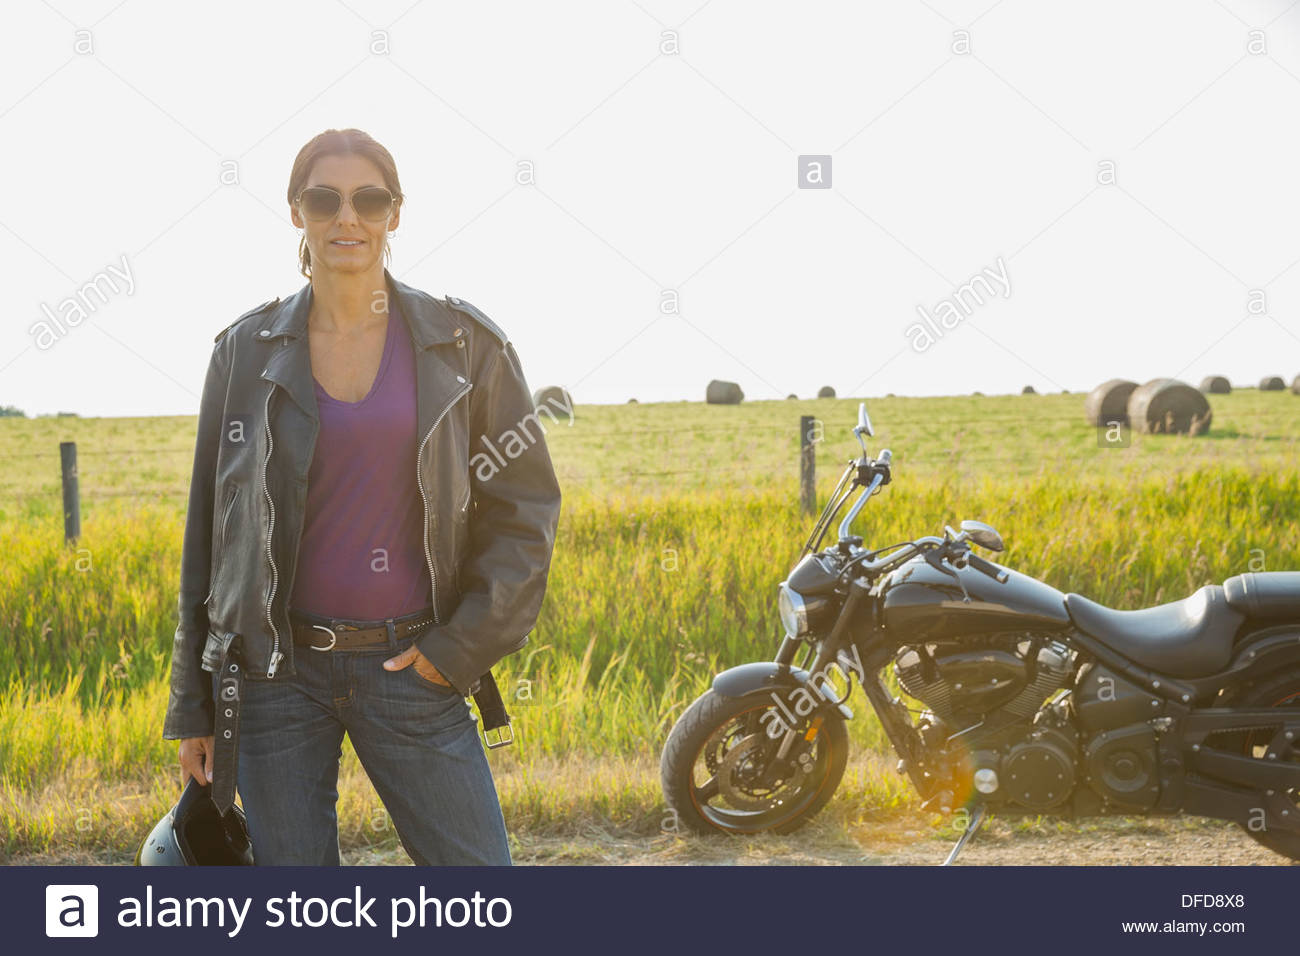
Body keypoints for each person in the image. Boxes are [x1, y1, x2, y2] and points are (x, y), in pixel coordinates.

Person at [161, 128, 562, 865]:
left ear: (395, 213)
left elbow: (526, 510)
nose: (347, 217)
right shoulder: (243, 352)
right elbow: (208, 539)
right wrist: (195, 703)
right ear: (296, 212)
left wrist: (457, 648)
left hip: (414, 666)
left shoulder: (465, 344)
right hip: (274, 679)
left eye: (369, 199)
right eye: (325, 199)